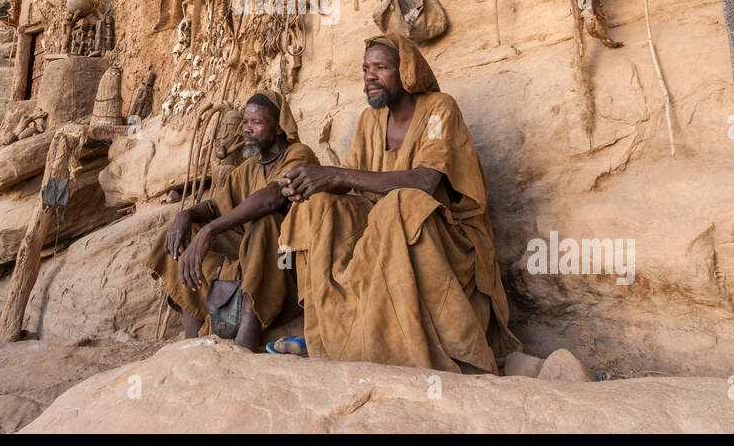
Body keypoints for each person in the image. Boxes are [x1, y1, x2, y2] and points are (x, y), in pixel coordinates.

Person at [276, 32, 522, 373]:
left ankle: (438, 349)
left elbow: (425, 181)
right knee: (318, 209)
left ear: (406, 72)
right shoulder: (369, 120)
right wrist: (307, 185)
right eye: (365, 69)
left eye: (381, 67)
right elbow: (349, 183)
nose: (369, 76)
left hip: (449, 237)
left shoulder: (439, 109)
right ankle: (330, 334)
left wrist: (336, 176)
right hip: (384, 233)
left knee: (400, 204)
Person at [145, 90, 317, 350]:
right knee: (183, 230)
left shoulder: (299, 154)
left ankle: (246, 340)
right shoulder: (250, 168)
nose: (246, 129)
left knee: (266, 224)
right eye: (245, 122)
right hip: (251, 254)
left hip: (287, 262)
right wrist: (186, 215)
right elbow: (216, 206)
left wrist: (211, 231)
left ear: (280, 128)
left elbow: (273, 197)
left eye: (256, 123)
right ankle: (191, 340)